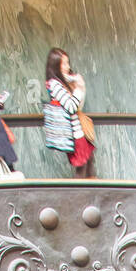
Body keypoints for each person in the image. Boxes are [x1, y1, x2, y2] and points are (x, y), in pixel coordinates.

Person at [44, 48, 95, 178]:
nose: (68, 67)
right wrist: (78, 88)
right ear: (56, 65)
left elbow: (78, 105)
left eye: (68, 63)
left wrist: (77, 86)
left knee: (88, 163)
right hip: (73, 134)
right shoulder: (54, 84)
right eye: (64, 63)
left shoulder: (62, 83)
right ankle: (79, 197)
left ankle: (90, 193)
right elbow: (71, 107)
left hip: (78, 132)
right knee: (81, 168)